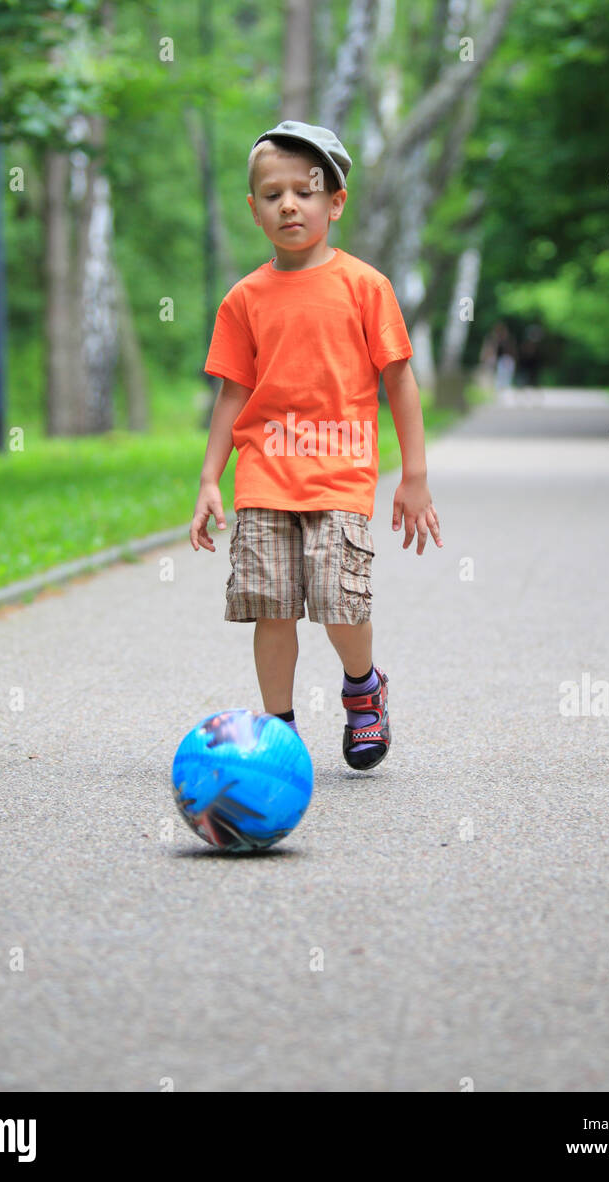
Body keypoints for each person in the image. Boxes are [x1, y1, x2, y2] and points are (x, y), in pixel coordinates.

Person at [189, 120, 442, 770]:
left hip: (341, 474)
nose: (289, 205)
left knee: (337, 599)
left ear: (336, 202)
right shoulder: (243, 299)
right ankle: (279, 735)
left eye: (305, 191)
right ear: (254, 209)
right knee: (271, 607)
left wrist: (414, 476)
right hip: (265, 475)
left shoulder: (365, 287)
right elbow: (231, 393)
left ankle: (363, 689)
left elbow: (400, 381)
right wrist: (210, 477)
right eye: (272, 195)